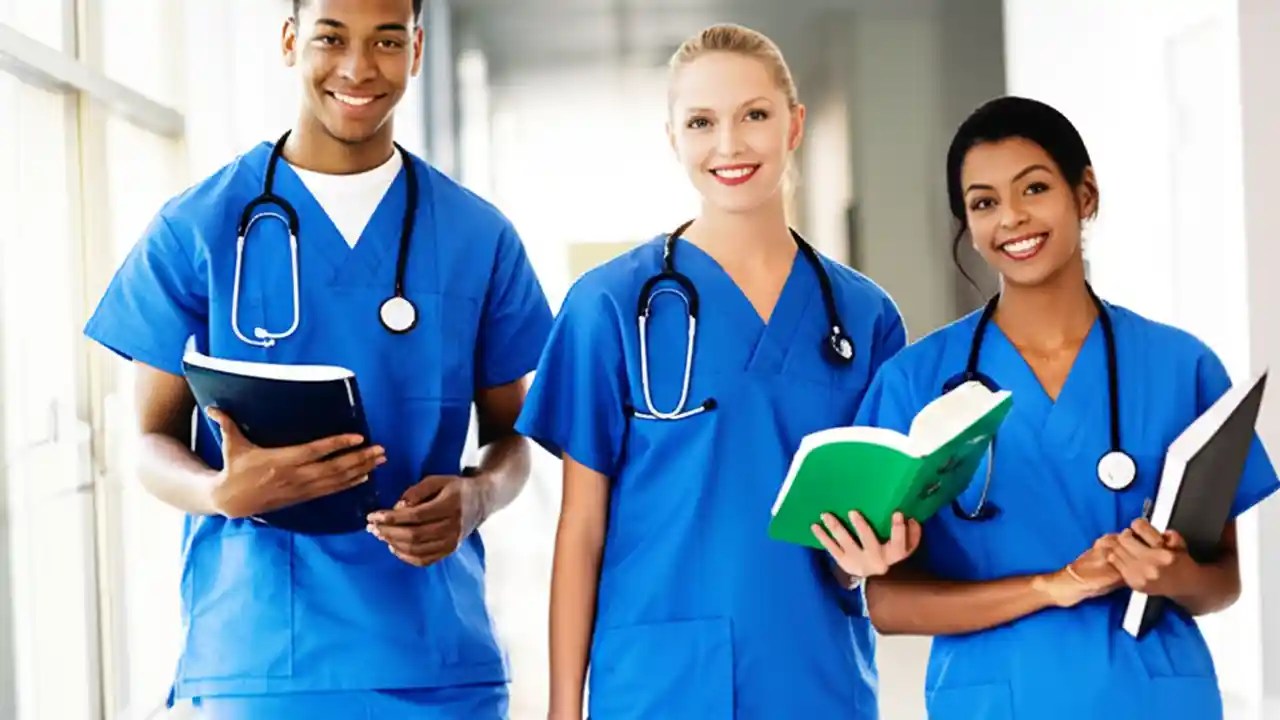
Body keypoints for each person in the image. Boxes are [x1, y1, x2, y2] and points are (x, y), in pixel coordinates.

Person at [82, 0, 552, 717]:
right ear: (289, 41)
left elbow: (512, 435)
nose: (358, 68)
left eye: (386, 41)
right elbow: (147, 441)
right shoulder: (199, 225)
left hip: (432, 658)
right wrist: (218, 492)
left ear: (418, 49)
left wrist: (478, 497)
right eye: (331, 38)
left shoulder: (477, 237)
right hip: (258, 656)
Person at [515, 23, 917, 720]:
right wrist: (560, 710)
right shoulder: (609, 306)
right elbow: (581, 529)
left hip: (814, 672)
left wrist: (870, 554)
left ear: (793, 125)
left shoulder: (863, 315)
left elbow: (862, 527)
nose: (729, 145)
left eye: (753, 115)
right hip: (656, 684)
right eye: (701, 122)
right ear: (673, 138)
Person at [856, 95, 1279, 720]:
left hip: (1155, 695)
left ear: (1085, 196)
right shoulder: (916, 381)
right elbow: (889, 606)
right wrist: (1052, 586)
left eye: (1034, 188)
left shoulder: (1180, 366)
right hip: (996, 698)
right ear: (967, 225)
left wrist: (1166, 574)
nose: (1012, 218)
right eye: (984, 202)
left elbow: (1221, 583)